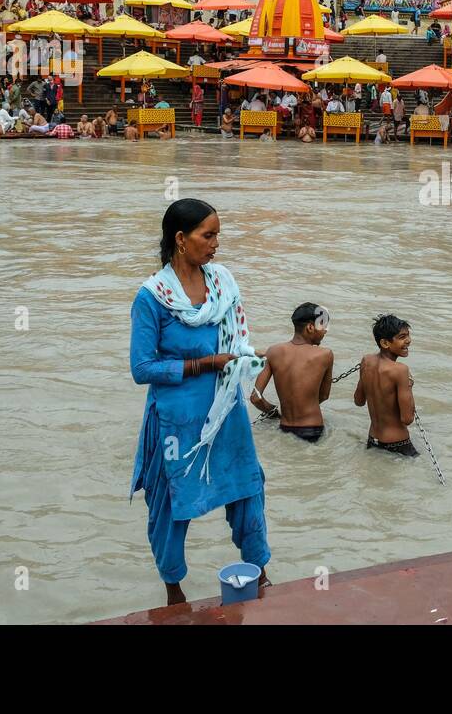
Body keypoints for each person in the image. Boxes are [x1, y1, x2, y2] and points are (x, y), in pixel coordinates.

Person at [130, 198, 271, 606]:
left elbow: (234, 337)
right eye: (208, 236)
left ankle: (260, 571)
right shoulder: (152, 297)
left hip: (225, 411)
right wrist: (204, 363)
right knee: (173, 504)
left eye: (217, 235)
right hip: (177, 419)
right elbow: (142, 368)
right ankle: (174, 591)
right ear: (180, 239)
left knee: (246, 487)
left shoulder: (222, 282)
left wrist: (246, 355)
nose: (215, 244)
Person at [249, 303, 335, 443]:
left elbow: (256, 398)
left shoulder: (273, 352)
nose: (325, 331)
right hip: (313, 429)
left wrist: (274, 413)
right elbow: (324, 396)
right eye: (323, 326)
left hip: (285, 428)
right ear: (310, 327)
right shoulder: (325, 354)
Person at [353, 314, 418, 457]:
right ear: (385, 343)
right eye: (402, 337)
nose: (408, 341)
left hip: (373, 441)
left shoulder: (366, 361)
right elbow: (407, 419)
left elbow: (358, 401)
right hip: (398, 444)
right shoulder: (400, 370)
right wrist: (409, 387)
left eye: (408, 336)